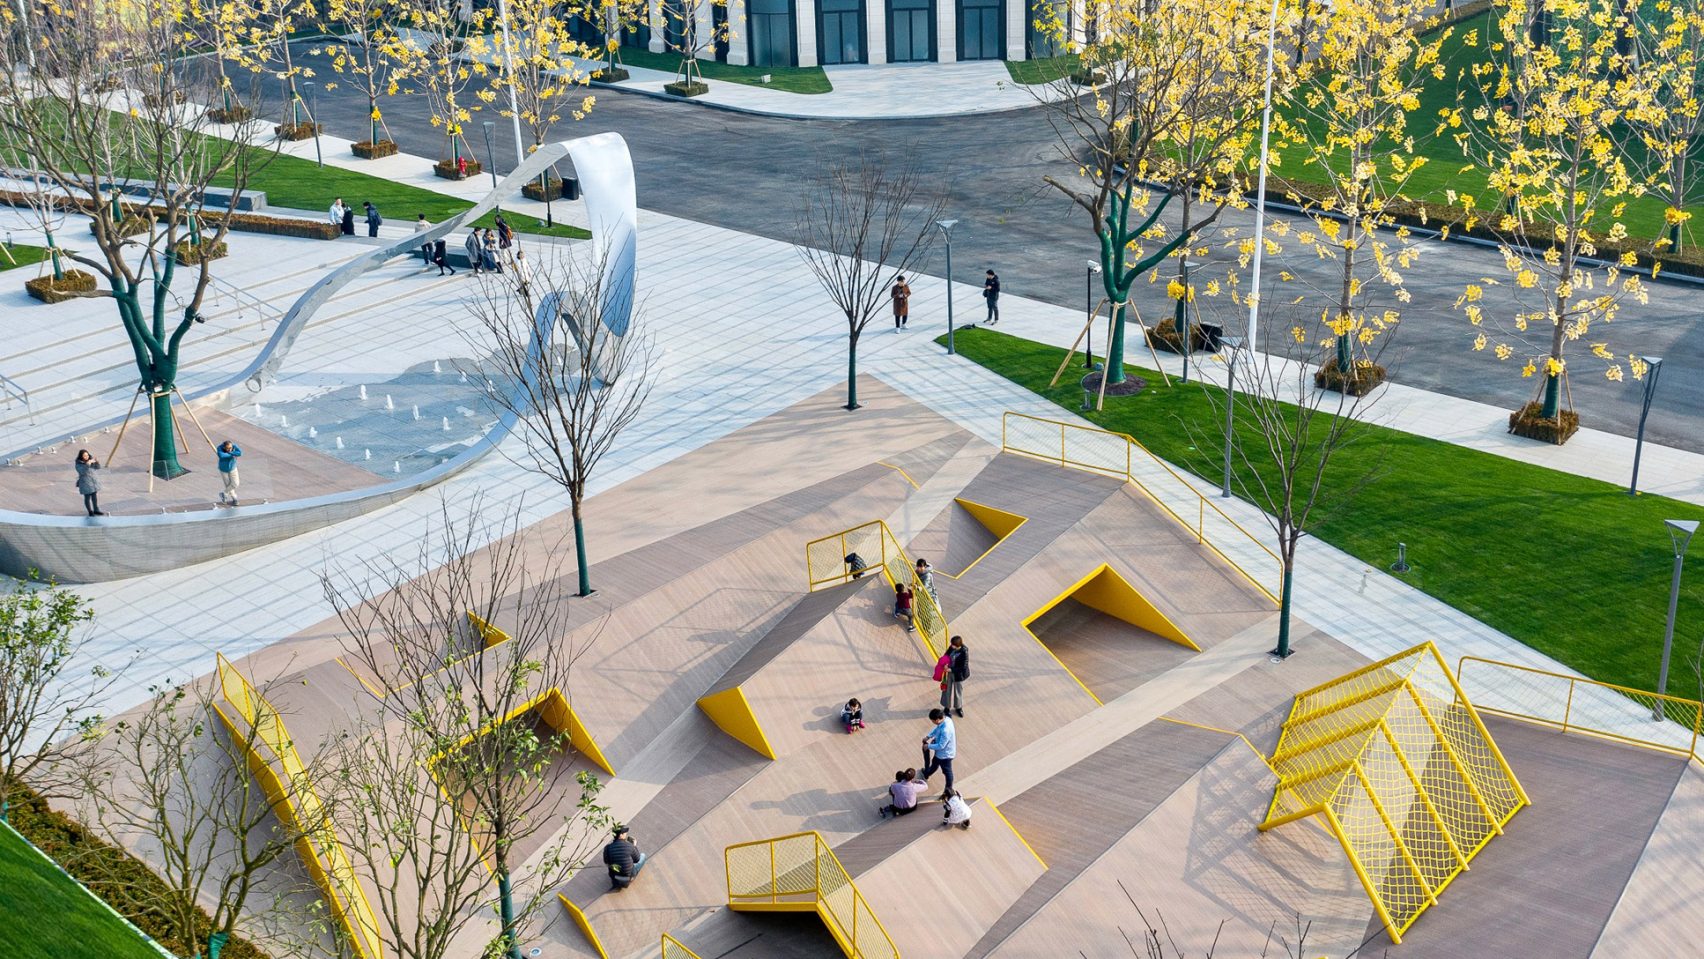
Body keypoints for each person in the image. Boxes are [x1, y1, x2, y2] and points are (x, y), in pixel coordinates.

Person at [920, 708, 956, 796]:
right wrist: (928, 736)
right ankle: (927, 773)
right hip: (941, 754)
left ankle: (948, 789)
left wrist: (928, 746)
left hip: (945, 755)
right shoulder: (946, 719)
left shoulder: (945, 730)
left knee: (947, 772)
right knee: (935, 763)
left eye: (933, 721)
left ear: (937, 719)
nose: (933, 723)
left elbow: (941, 745)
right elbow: (937, 729)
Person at [602, 825, 646, 890]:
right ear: (620, 835)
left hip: (614, 876)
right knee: (643, 855)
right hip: (629, 876)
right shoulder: (629, 846)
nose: (626, 834)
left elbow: (606, 861)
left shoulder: (607, 848)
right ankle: (631, 878)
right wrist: (634, 846)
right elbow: (637, 860)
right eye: (625, 833)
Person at [941, 635, 969, 717]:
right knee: (946, 690)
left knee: (958, 691)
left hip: (958, 674)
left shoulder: (964, 652)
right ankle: (946, 707)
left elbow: (963, 666)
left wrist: (952, 670)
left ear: (958, 645)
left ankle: (958, 707)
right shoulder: (952, 647)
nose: (951, 646)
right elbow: (946, 655)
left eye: (953, 645)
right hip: (949, 672)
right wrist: (945, 664)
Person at [74, 449, 104, 516]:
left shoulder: (90, 460)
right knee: (87, 497)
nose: (86, 457)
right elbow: (82, 472)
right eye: (84, 456)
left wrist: (96, 462)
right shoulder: (78, 464)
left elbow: (98, 467)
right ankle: (90, 511)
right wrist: (87, 464)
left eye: (87, 455)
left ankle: (96, 510)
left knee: (94, 496)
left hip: (93, 482)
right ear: (81, 456)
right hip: (85, 483)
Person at [215, 440, 242, 507]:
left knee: (235, 484)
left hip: (233, 468)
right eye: (227, 448)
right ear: (224, 447)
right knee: (228, 485)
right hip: (224, 470)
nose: (229, 449)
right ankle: (234, 498)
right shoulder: (219, 448)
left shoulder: (234, 446)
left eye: (230, 447)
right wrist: (233, 453)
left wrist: (231, 453)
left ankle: (224, 493)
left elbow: (240, 453)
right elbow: (222, 455)